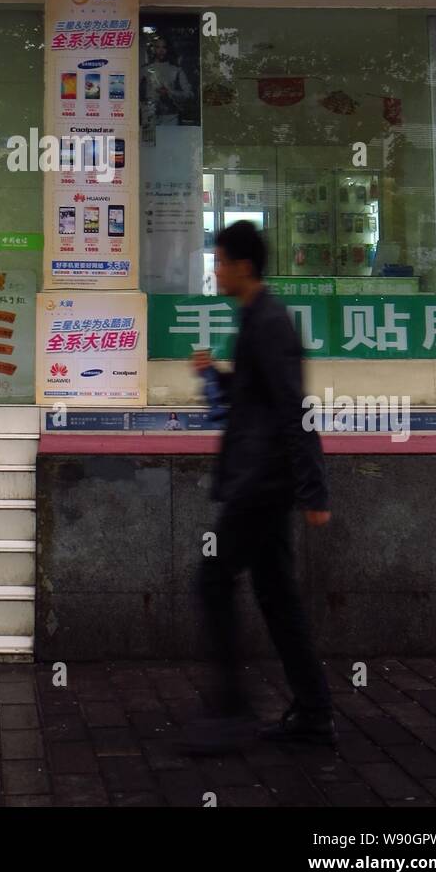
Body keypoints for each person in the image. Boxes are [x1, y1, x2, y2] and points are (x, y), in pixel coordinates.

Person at [183, 220, 335, 755]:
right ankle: (314, 712)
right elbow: (258, 400)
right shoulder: (255, 319)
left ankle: (231, 710)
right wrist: (219, 375)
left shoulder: (268, 322)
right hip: (260, 480)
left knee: (214, 579)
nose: (216, 270)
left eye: (220, 261)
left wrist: (313, 491)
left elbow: (294, 409)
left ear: (243, 266)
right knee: (277, 596)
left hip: (261, 485)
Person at [140, 36, 193, 127]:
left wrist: (170, 92)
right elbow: (133, 91)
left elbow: (189, 94)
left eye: (164, 47)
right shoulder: (145, 69)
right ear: (153, 49)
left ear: (168, 49)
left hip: (170, 116)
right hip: (150, 115)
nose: (161, 50)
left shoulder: (176, 70)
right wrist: (143, 106)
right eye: (157, 47)